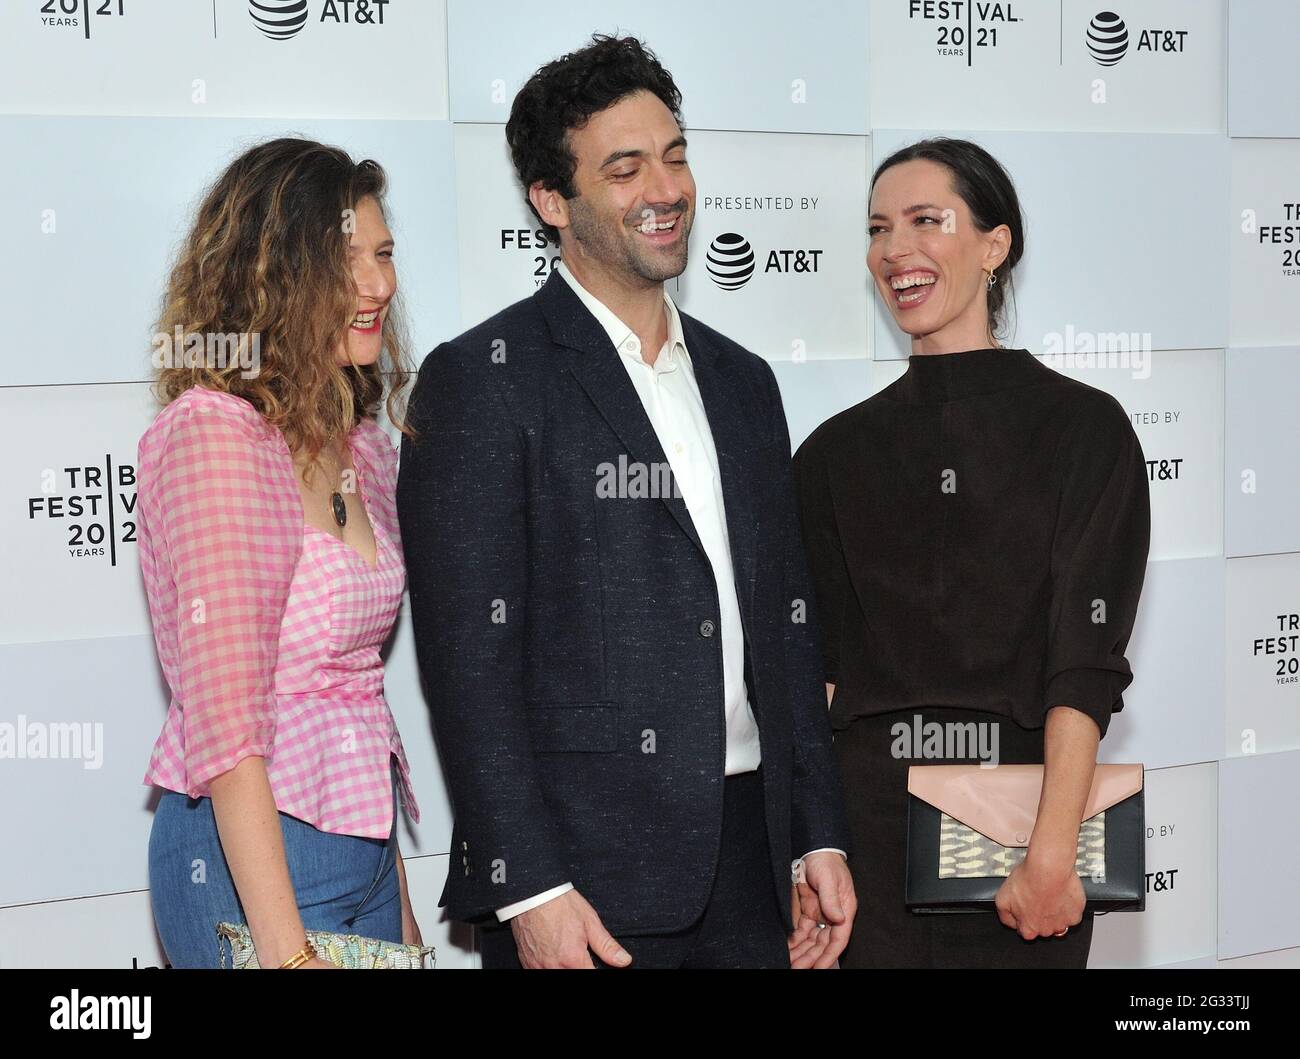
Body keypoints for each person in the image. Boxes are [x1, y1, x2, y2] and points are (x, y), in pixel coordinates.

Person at [397, 35, 855, 969]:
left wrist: (817, 833)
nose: (667, 186)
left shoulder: (744, 382)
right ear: (551, 202)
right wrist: (528, 883)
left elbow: (786, 626)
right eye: (625, 166)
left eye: (676, 154)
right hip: (582, 882)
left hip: (756, 869)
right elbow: (466, 661)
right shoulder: (485, 381)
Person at [792, 137, 1151, 968]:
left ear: (996, 244)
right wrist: (809, 851)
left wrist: (1053, 854)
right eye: (880, 228)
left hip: (1022, 836)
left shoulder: (1084, 433)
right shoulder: (831, 455)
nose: (895, 250)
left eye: (927, 220)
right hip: (865, 856)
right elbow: (817, 678)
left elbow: (1083, 665)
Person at [139, 138, 423, 969]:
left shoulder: (360, 441)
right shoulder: (214, 436)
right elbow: (227, 724)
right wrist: (287, 956)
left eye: (384, 254)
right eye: (348, 261)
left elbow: (357, 698)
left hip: (362, 850)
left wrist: (399, 917)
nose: (379, 285)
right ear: (277, 276)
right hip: (248, 860)